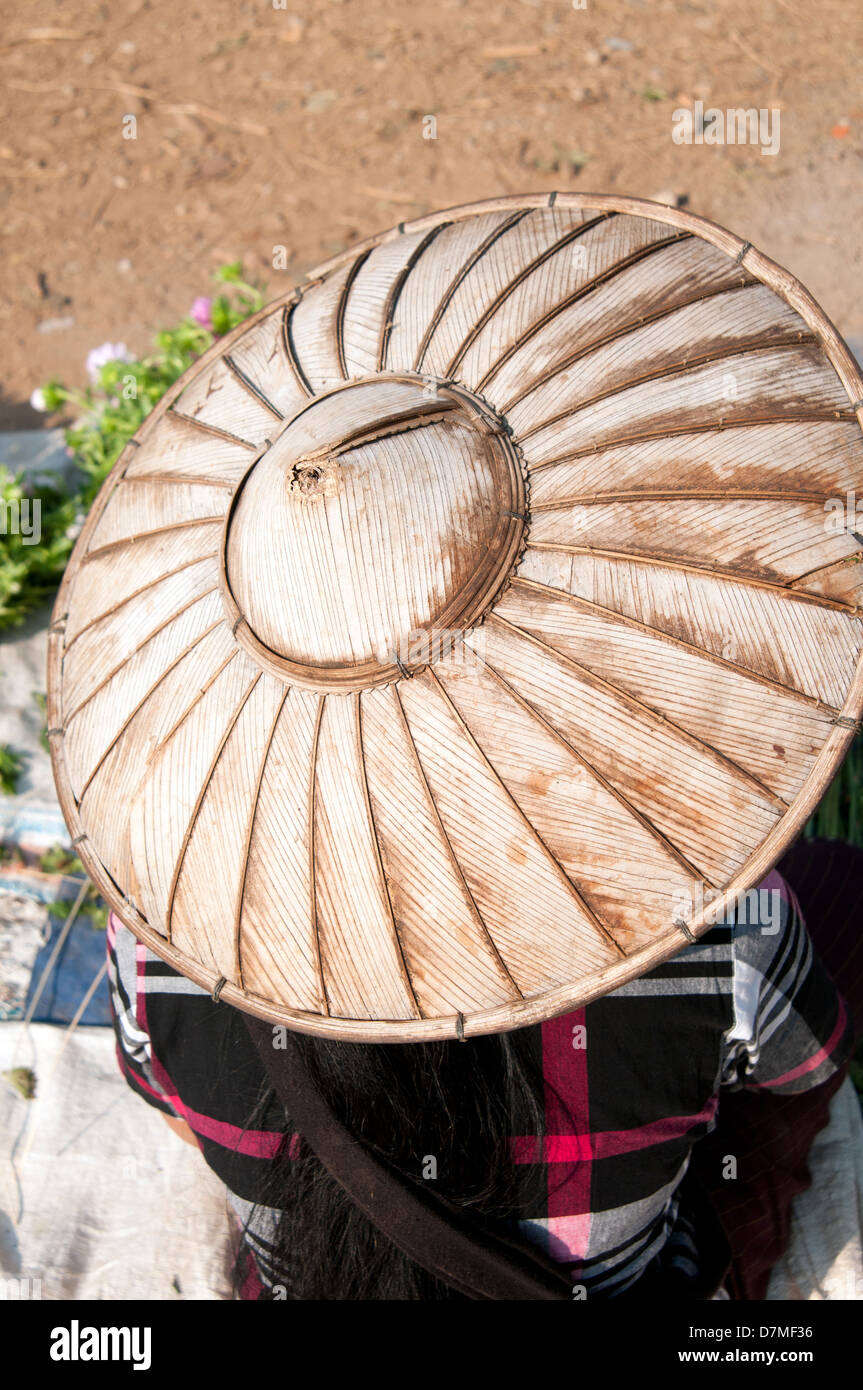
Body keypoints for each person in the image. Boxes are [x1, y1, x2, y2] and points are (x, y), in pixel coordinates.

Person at [107, 837, 860, 1301]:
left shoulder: (152, 918)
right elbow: (799, 1076)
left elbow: (172, 1112)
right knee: (837, 882)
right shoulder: (717, 908)